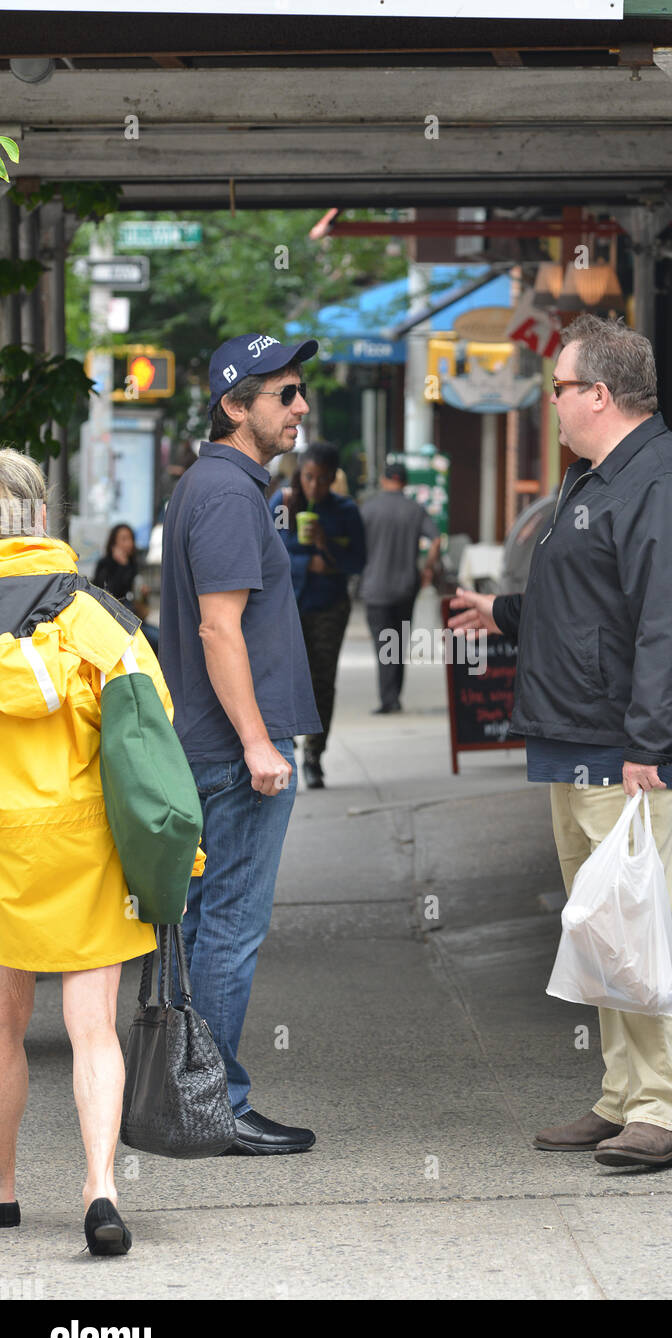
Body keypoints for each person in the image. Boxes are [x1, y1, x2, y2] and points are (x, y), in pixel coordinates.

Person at [450, 314, 672, 1171]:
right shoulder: (597, 478)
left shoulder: (664, 487)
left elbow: (667, 626)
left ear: (599, 395)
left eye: (560, 389)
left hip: (626, 752)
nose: (553, 404)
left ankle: (659, 1111)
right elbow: (588, 613)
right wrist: (499, 613)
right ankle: (620, 1096)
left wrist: (645, 742)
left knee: (631, 926)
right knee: (601, 926)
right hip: (580, 741)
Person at [0, 448, 204, 1254]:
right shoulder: (100, 620)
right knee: (93, 1031)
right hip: (82, 854)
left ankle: (5, 1191)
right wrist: (174, 868)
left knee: (4, 1032)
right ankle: (100, 1190)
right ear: (44, 520)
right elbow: (151, 760)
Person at [159, 332, 322, 1157]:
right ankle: (215, 1104)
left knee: (199, 928)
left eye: (299, 391)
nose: (299, 407)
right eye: (282, 394)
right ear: (234, 406)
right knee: (226, 925)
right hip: (231, 753)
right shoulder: (226, 493)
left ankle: (181, 1097)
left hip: (214, 747)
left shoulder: (220, 486)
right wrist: (260, 745)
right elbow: (217, 627)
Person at [270, 441, 365, 789]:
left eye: (323, 480)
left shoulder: (345, 511)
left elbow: (358, 560)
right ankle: (284, 744)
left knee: (322, 682)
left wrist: (327, 546)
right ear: (300, 473)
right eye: (309, 477)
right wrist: (305, 563)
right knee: (285, 677)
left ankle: (314, 754)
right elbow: (268, 551)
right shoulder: (282, 504)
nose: (315, 487)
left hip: (328, 607)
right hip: (286, 606)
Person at [359, 462, 441, 714]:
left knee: (382, 645)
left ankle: (388, 699)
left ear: (384, 480)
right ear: (404, 483)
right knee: (399, 642)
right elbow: (436, 539)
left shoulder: (368, 509)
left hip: (374, 587)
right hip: (406, 586)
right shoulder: (415, 509)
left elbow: (354, 544)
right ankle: (394, 696)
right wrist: (427, 567)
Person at [94, 522, 160, 655]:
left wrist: (143, 593)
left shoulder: (132, 564)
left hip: (133, 618)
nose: (128, 543)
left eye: (130, 539)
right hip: (115, 622)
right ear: (114, 543)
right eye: (124, 539)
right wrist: (122, 566)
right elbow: (109, 593)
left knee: (159, 637)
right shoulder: (105, 565)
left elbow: (136, 597)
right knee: (155, 640)